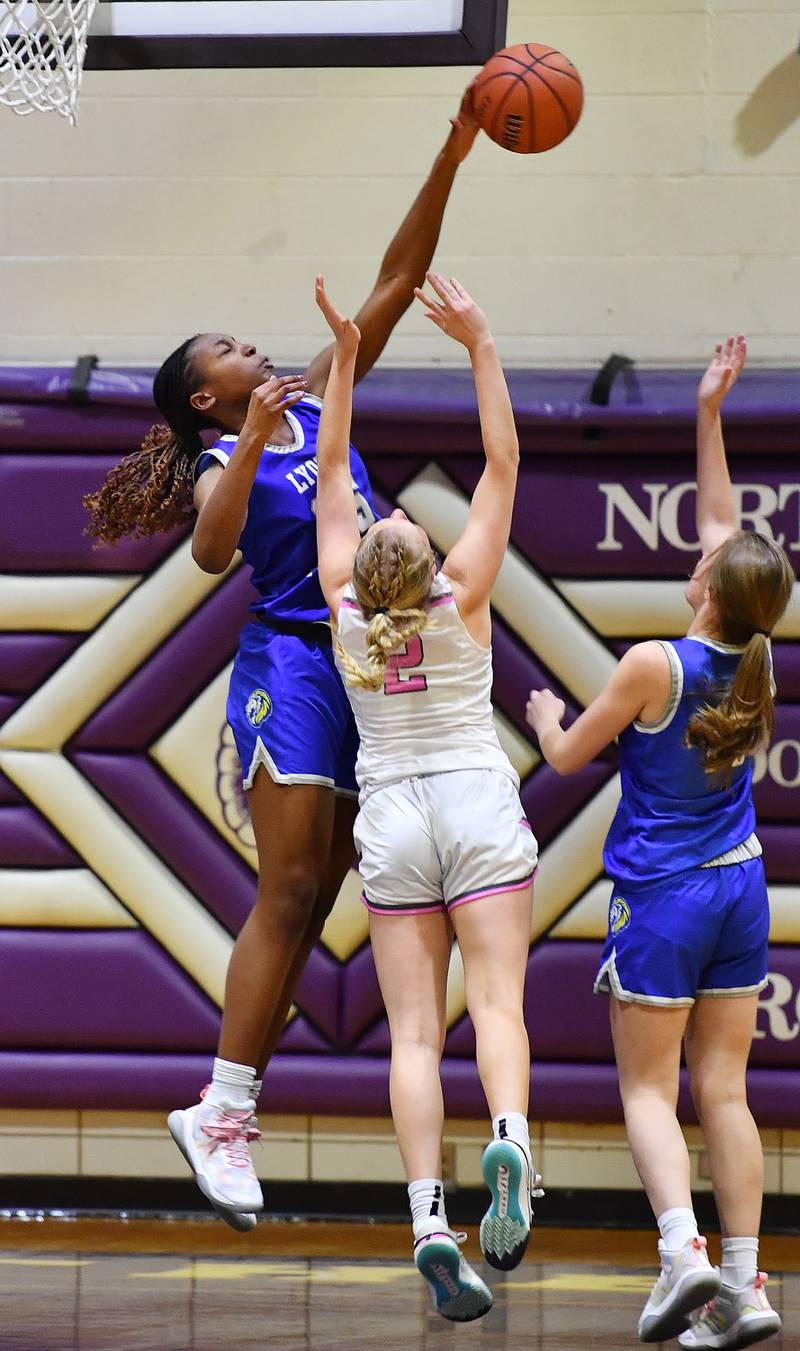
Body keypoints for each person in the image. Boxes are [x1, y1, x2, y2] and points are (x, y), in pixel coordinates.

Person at [83, 95, 480, 1230]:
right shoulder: (229, 450)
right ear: (204, 395)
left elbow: (393, 287)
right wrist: (250, 433)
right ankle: (222, 1109)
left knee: (341, 896)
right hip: (293, 666)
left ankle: (229, 1106)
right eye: (229, 351)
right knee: (292, 886)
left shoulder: (315, 406)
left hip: (372, 664)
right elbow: (212, 554)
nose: (251, 347)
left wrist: (448, 155)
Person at [525, 336, 793, 1348]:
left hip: (663, 896)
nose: (700, 542)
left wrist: (549, 711)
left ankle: (678, 1252)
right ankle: (746, 1281)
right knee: (723, 1088)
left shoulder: (649, 664)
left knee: (646, 1084)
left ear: (711, 589)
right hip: (740, 890)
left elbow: (562, 762)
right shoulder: (755, 658)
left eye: (706, 555)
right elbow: (728, 525)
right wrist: (708, 414)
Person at [312, 270, 540, 1321]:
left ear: (363, 568)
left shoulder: (342, 609)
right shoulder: (467, 593)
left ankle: (426, 1218)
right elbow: (503, 458)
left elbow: (324, 470)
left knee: (413, 1033)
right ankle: (509, 1139)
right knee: (494, 1003)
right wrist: (479, 342)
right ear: (428, 562)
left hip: (392, 816)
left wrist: (345, 364)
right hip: (475, 802)